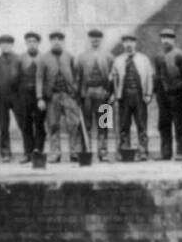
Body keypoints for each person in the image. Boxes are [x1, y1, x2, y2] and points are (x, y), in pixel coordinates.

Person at [111, 34, 154, 160]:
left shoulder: (144, 59)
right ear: (123, 44)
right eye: (125, 42)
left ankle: (143, 151)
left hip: (139, 95)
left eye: (131, 41)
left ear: (135, 43)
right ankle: (124, 151)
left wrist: (149, 94)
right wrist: (114, 94)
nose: (128, 44)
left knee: (141, 124)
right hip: (123, 96)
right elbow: (113, 79)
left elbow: (150, 77)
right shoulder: (118, 60)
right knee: (124, 124)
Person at [38, 30, 79, 162]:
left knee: (73, 124)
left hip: (68, 96)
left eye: (59, 39)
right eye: (54, 39)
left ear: (63, 42)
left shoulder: (69, 57)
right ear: (50, 42)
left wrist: (75, 92)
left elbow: (76, 76)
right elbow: (39, 79)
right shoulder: (44, 58)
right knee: (53, 125)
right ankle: (55, 153)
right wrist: (40, 98)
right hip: (52, 97)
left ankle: (74, 152)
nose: (57, 41)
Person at [75, 28, 115, 161]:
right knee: (85, 125)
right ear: (89, 39)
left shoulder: (109, 57)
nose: (95, 40)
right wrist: (78, 96)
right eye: (92, 37)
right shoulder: (81, 57)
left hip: (103, 93)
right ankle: (86, 151)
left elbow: (114, 77)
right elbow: (78, 78)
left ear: (101, 40)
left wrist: (112, 93)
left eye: (98, 37)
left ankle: (103, 152)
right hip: (87, 93)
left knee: (103, 124)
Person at [154, 28, 182, 160]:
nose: (165, 41)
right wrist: (157, 94)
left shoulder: (179, 55)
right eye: (163, 38)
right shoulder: (158, 57)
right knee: (164, 125)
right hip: (162, 96)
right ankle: (166, 153)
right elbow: (157, 77)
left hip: (176, 95)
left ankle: (181, 152)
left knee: (178, 125)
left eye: (168, 38)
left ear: (173, 40)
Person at [0, 35, 24, 162]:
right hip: (1, 96)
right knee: (3, 126)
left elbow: (24, 76)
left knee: (23, 124)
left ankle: (29, 151)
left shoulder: (18, 59)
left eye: (8, 43)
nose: (5, 46)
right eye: (2, 44)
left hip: (17, 96)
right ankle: (6, 153)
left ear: (12, 45)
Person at [17, 32, 45, 161]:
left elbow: (46, 79)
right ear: (26, 43)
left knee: (39, 124)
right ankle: (27, 153)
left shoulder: (43, 58)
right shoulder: (21, 58)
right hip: (24, 96)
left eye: (34, 41)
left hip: (39, 96)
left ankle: (38, 151)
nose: (32, 44)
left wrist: (42, 98)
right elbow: (16, 78)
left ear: (38, 43)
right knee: (26, 124)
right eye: (29, 41)